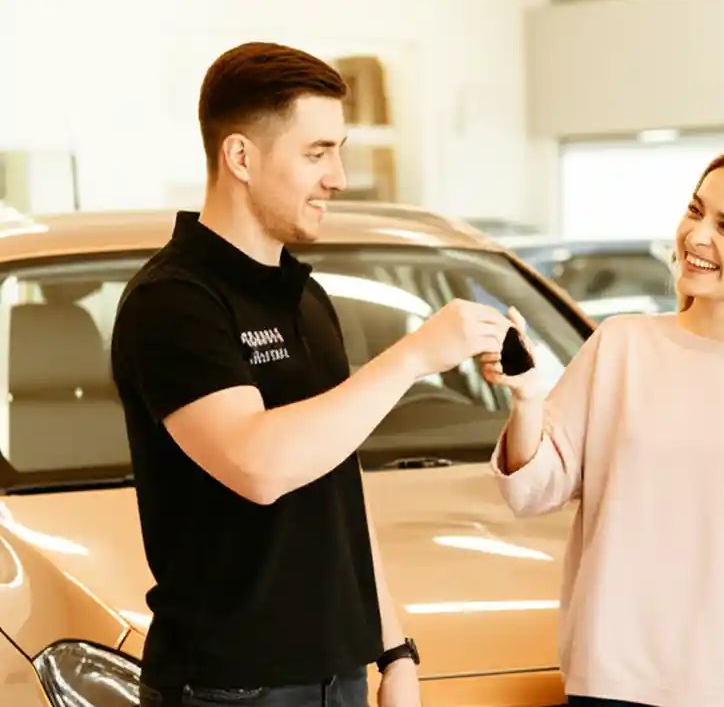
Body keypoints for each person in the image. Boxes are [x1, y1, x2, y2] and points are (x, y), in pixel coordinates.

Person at [110, 42, 513, 707]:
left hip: (337, 676)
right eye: (317, 153)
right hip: (230, 688)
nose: (339, 178)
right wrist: (413, 357)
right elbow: (258, 466)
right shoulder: (175, 301)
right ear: (241, 157)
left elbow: (338, 484)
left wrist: (393, 650)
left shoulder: (306, 299)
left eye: (339, 152)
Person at [482, 148, 724, 707]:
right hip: (613, 684)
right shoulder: (622, 345)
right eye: (696, 210)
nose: (697, 235)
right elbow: (533, 488)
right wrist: (527, 400)